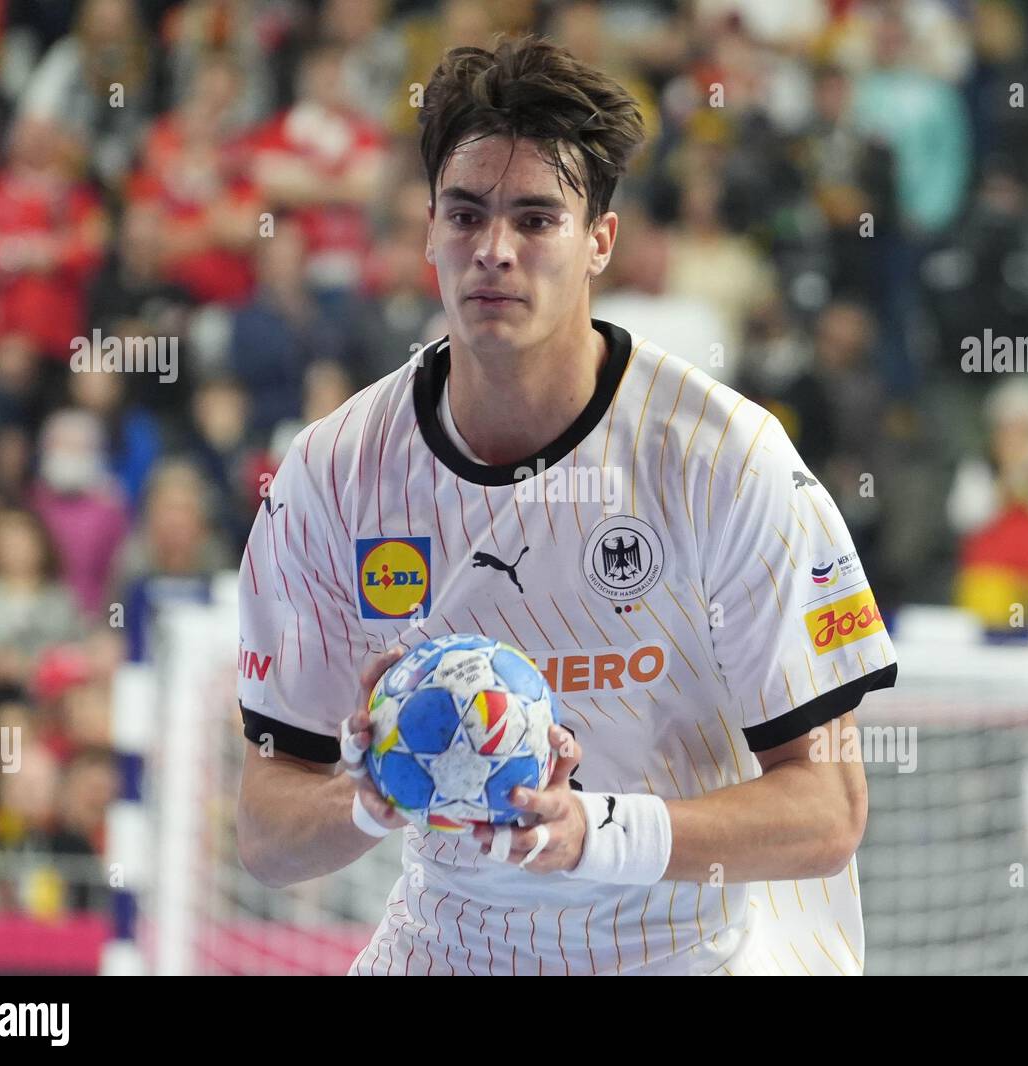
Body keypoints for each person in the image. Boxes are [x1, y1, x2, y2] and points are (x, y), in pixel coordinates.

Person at [235, 36, 896, 976]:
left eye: (535, 218)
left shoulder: (725, 459)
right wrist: (370, 795)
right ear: (426, 228)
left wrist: (594, 832)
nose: (493, 251)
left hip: (684, 946)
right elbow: (264, 831)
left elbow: (829, 812)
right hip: (448, 937)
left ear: (601, 241)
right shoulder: (331, 471)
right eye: (465, 214)